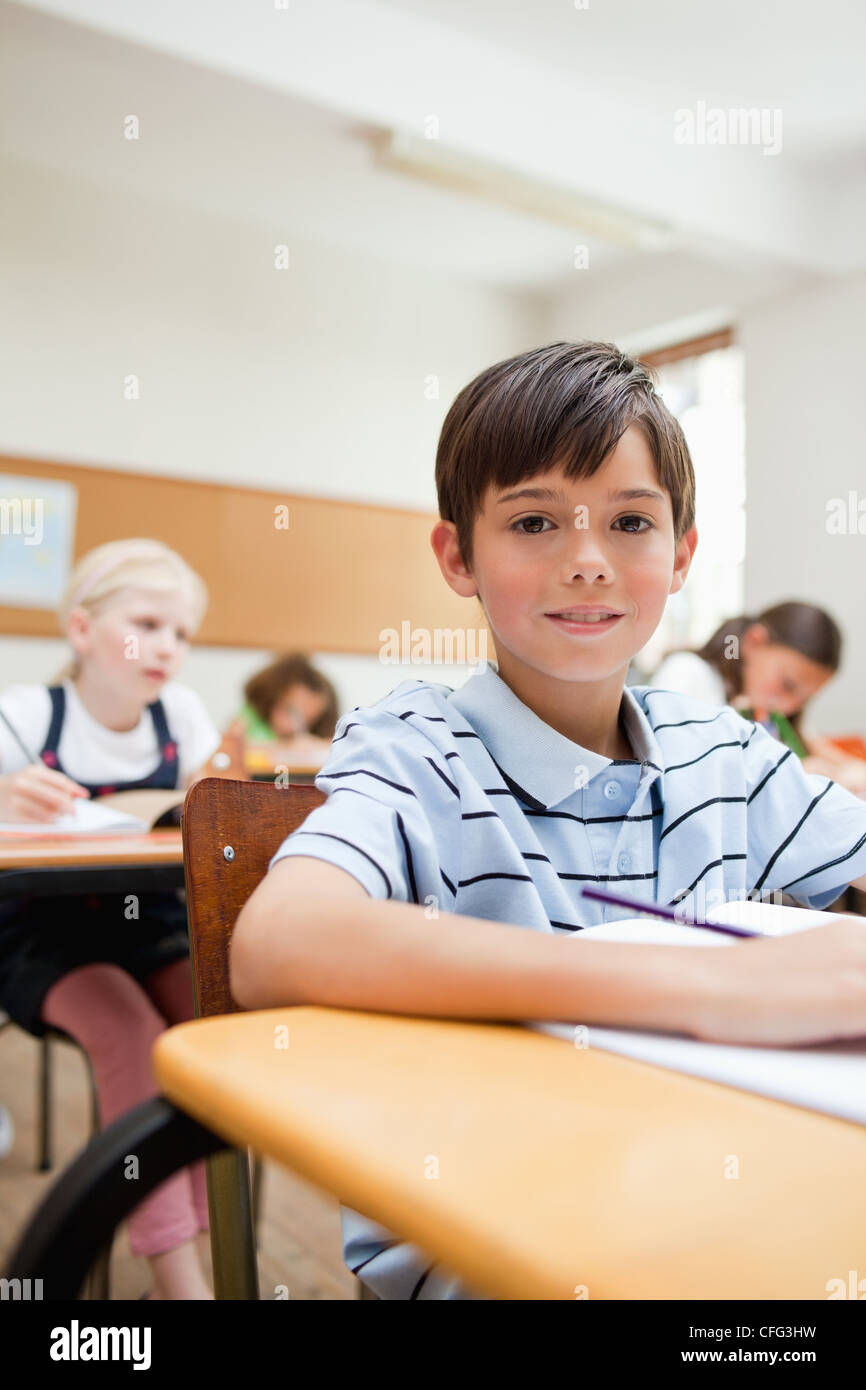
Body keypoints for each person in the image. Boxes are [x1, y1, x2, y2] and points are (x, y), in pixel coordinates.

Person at [229, 340, 866, 1300]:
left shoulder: (724, 751)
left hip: (727, 1196)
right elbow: (279, 942)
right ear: (458, 556)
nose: (585, 562)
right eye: (533, 521)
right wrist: (700, 986)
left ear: (682, 553)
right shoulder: (416, 749)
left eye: (629, 522)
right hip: (493, 1236)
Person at [0, 538, 222, 1299]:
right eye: (147, 624)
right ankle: (177, 1273)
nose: (167, 647)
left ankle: (194, 1240)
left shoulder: (182, 716)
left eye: (183, 633)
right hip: (43, 938)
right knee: (132, 1035)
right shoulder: (26, 716)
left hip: (150, 926)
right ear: (82, 630)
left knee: (210, 1024)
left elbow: (204, 818)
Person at [650, 606, 866, 796]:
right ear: (754, 642)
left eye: (804, 700)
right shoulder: (689, 674)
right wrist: (791, 774)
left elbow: (816, 742)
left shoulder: (763, 707)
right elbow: (677, 767)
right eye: (788, 685)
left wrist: (847, 770)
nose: (790, 706)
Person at [229, 653, 337, 758]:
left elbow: (337, 745)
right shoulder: (251, 715)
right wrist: (286, 746)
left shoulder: (308, 738)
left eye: (309, 719)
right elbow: (231, 746)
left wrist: (314, 744)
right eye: (289, 711)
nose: (293, 725)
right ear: (273, 697)